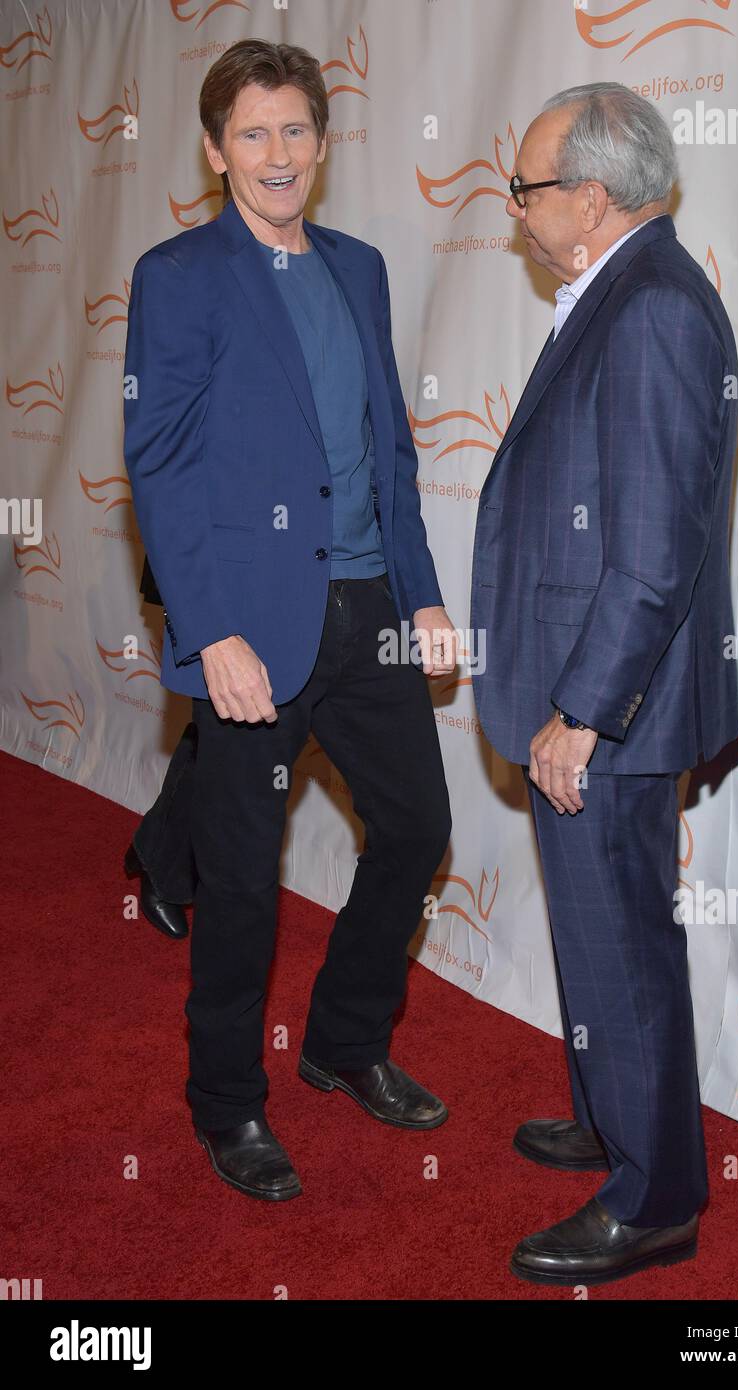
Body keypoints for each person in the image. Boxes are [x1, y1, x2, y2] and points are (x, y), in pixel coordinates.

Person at [123, 39, 457, 1202]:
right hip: (250, 628)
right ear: (215, 151)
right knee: (247, 884)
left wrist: (418, 591)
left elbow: (388, 450)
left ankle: (344, 1038)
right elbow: (158, 463)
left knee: (416, 827)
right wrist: (208, 627)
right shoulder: (180, 274)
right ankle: (227, 1103)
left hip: (364, 605)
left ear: (321, 141)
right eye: (252, 134)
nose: (278, 154)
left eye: (296, 130)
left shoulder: (358, 267)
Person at [470, 81, 738, 1285]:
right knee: (596, 931)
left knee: (622, 944)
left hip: (609, 705)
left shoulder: (653, 311)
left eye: (527, 186)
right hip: (585, 689)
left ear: (588, 197)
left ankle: (656, 1197)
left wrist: (583, 711)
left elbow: (652, 546)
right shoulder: (621, 290)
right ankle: (610, 1114)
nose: (514, 206)